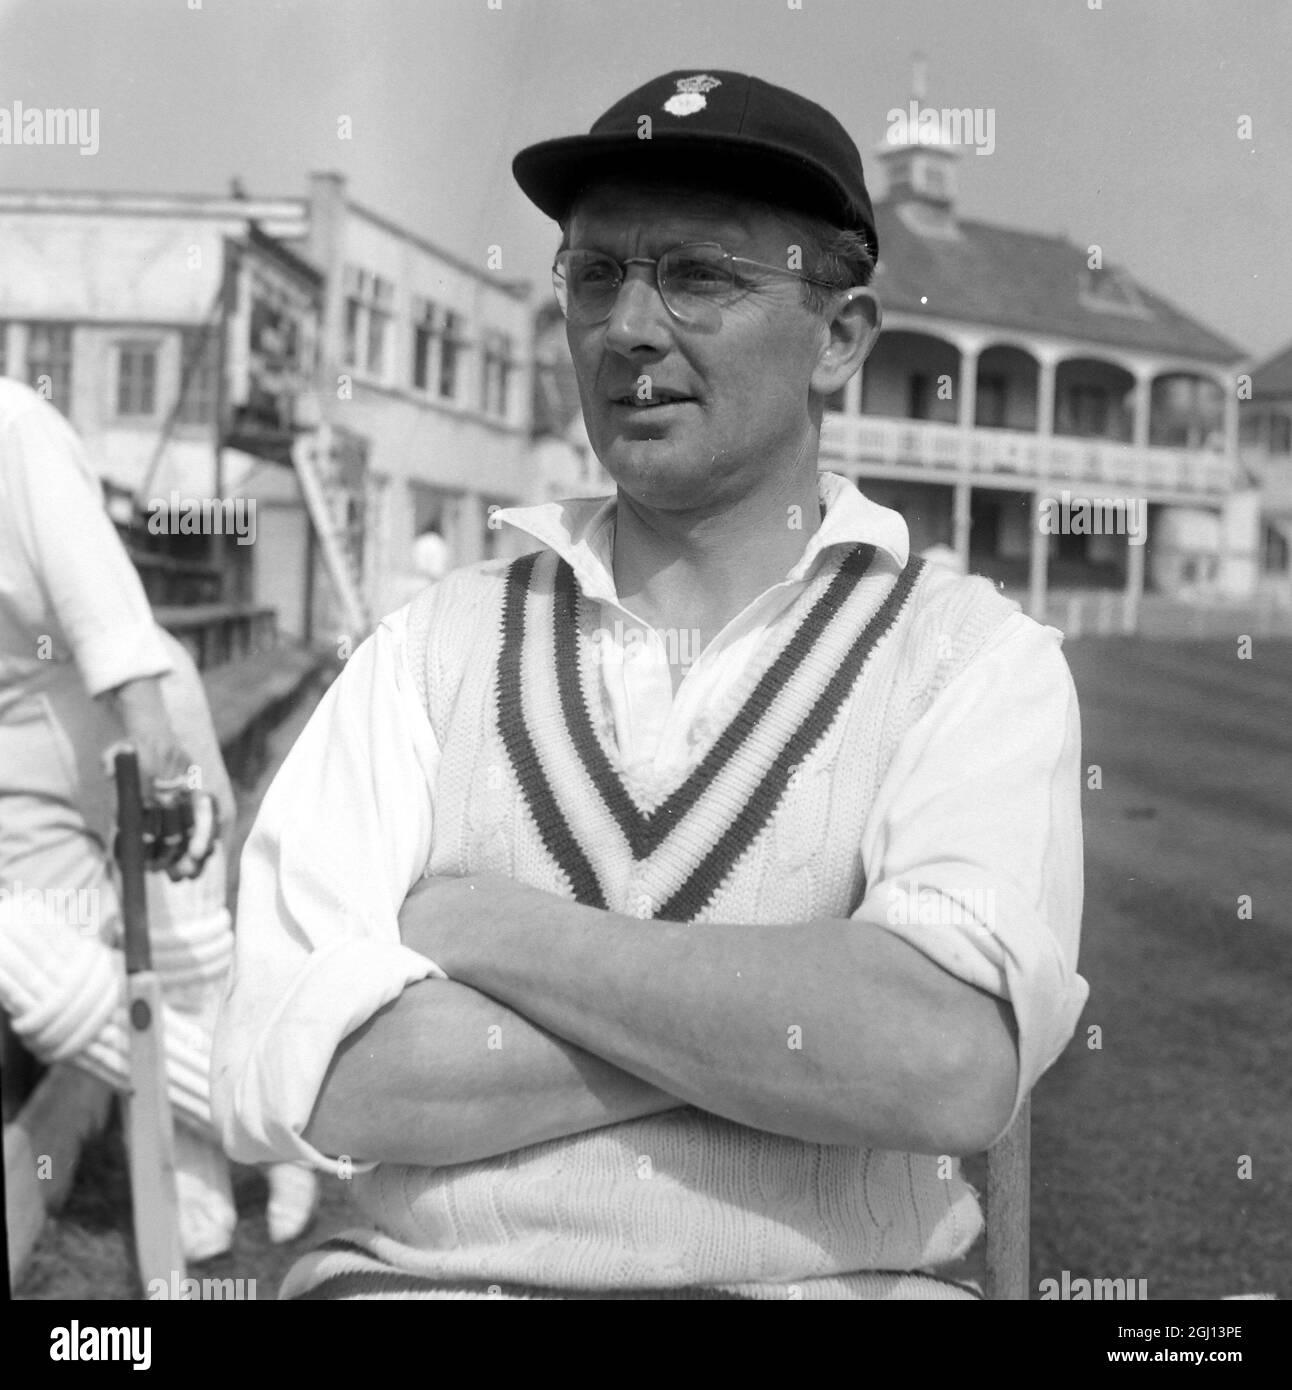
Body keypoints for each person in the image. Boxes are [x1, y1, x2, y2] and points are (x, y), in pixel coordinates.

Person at [213, 70, 1088, 1300]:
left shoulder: (970, 660)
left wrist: (491, 930)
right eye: (594, 273)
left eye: (698, 275)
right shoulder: (428, 651)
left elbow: (936, 1060)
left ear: (838, 336)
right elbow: (312, 1073)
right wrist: (790, 1024)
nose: (626, 326)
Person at [0, 377, 314, 1259]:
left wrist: (159, 761)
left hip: (132, 711)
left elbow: (101, 598)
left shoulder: (14, 426)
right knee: (37, 967)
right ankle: (272, 1125)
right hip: (14, 753)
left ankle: (199, 1192)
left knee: (186, 970)